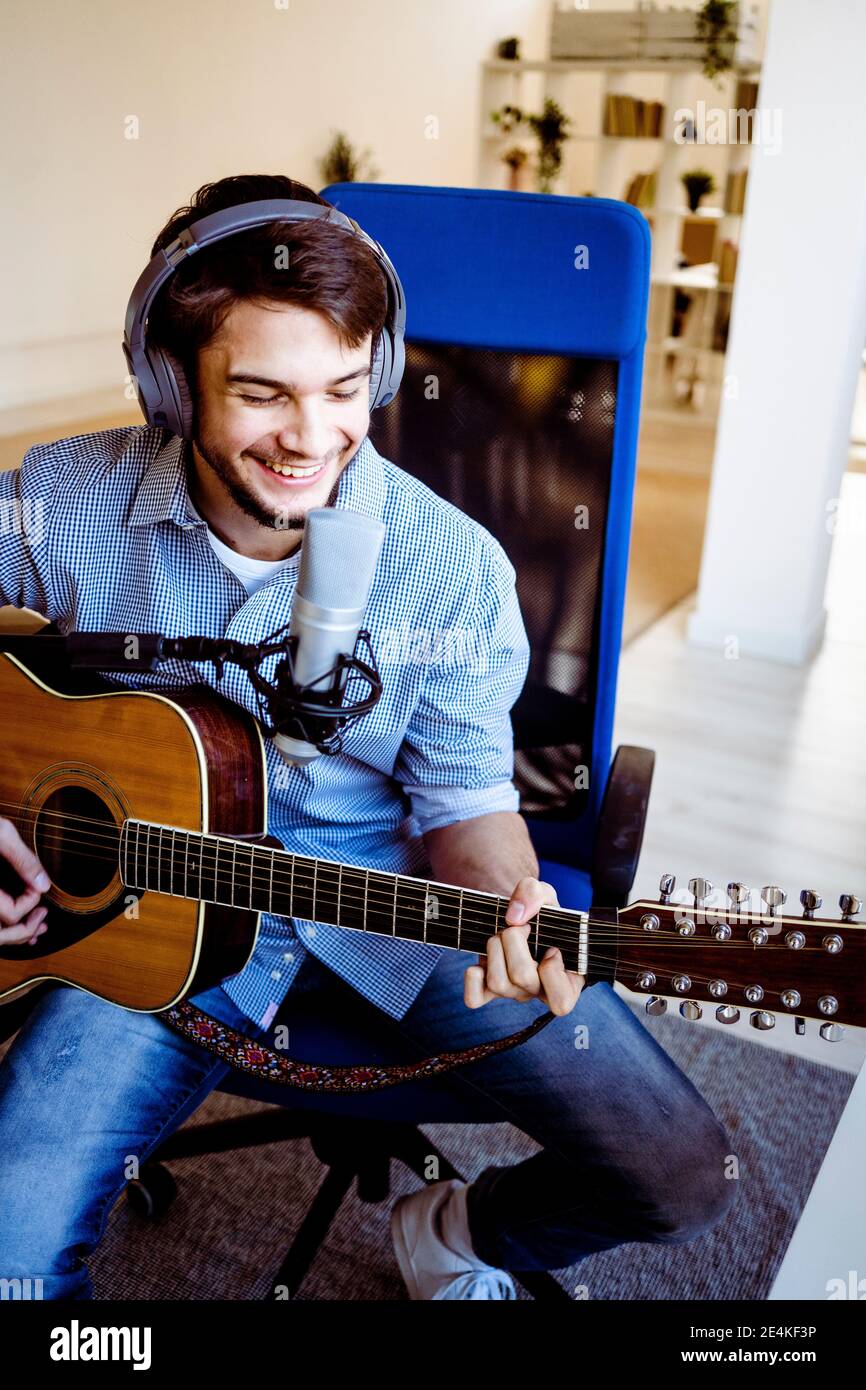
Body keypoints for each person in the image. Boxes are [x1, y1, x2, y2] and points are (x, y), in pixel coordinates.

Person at [0, 173, 737, 1301]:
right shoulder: (63, 501)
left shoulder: (449, 564)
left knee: (684, 1172)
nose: (312, 438)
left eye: (346, 389)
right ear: (169, 381)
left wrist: (510, 902)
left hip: (390, 914)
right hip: (139, 935)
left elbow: (464, 796)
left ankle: (454, 1232)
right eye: (261, 394)